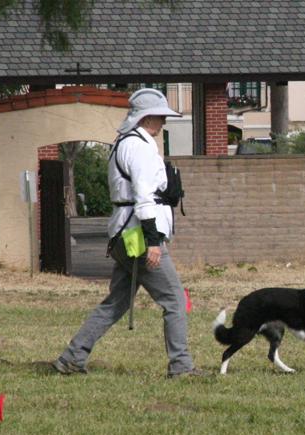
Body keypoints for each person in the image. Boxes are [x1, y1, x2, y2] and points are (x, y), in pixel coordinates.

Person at [52, 88, 203, 378]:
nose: (163, 123)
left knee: (116, 303)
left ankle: (72, 357)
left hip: (125, 234)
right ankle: (181, 366)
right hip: (139, 236)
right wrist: (154, 241)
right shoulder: (139, 147)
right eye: (160, 117)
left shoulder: (126, 143)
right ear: (147, 118)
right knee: (174, 299)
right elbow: (144, 197)